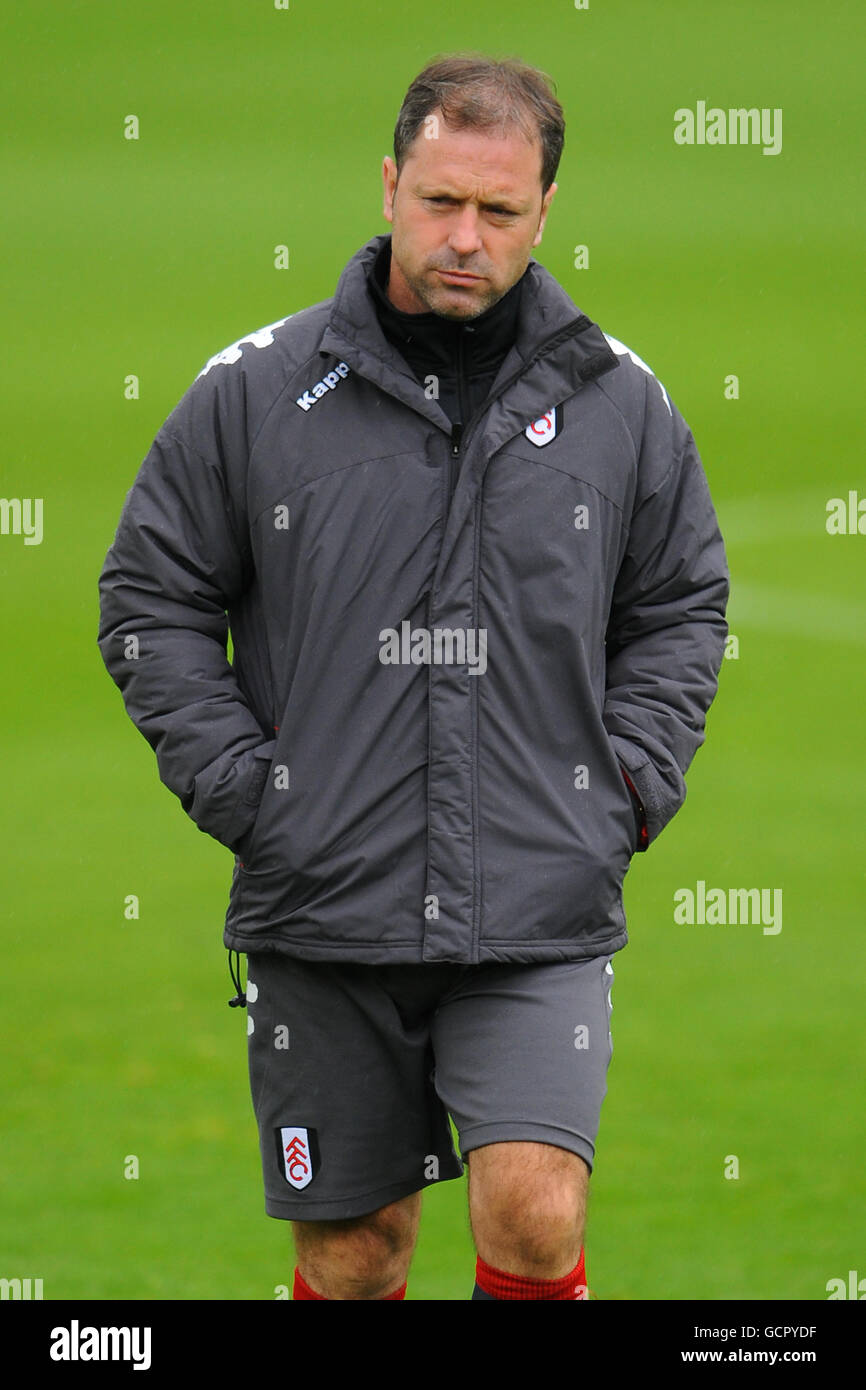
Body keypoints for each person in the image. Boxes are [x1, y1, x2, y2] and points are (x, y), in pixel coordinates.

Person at [98, 53, 729, 1301]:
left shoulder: (622, 406)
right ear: (389, 183)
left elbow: (676, 605)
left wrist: (628, 784)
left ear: (545, 212)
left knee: (535, 1210)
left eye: (498, 213)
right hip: (324, 896)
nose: (463, 237)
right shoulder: (255, 393)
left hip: (537, 891)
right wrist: (245, 790)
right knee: (352, 1253)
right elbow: (150, 596)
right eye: (439, 201)